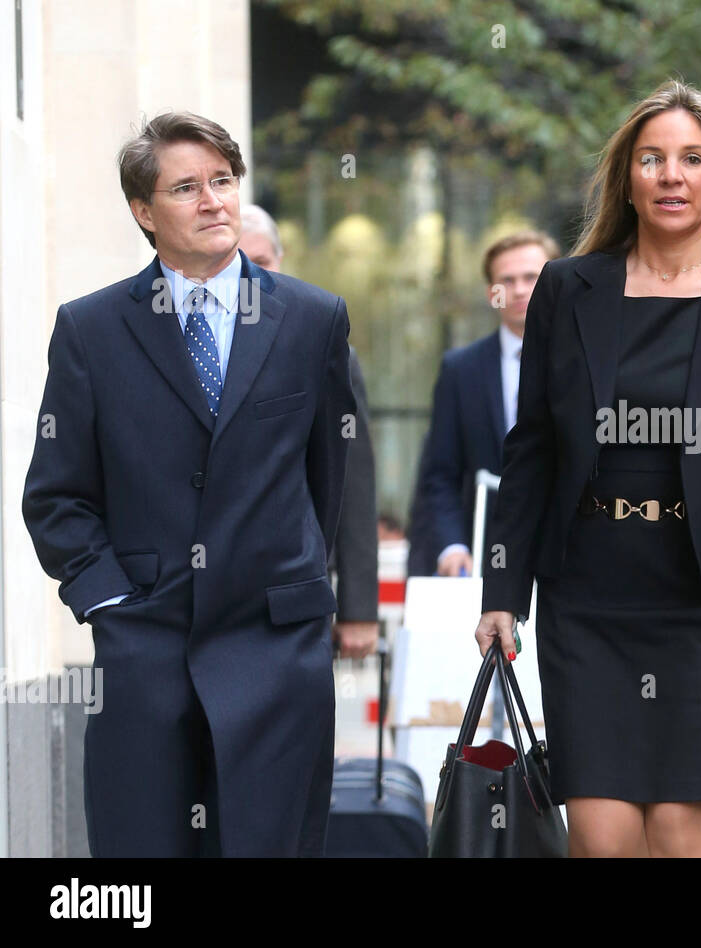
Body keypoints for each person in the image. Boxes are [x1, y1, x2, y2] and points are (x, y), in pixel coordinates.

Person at [472, 79, 701, 857]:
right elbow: (530, 451)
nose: (671, 175)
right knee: (602, 838)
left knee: (678, 835)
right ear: (626, 177)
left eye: (691, 159)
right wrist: (503, 591)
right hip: (588, 595)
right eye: (652, 159)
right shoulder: (566, 289)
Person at [22, 112, 356, 856]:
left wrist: (302, 585)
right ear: (144, 212)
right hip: (144, 652)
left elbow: (329, 476)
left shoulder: (311, 319)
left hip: (277, 653)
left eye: (223, 182)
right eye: (185, 188)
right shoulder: (91, 329)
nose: (213, 201)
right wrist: (111, 603)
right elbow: (56, 495)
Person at [240, 204, 378, 659]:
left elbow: (353, 484)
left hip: (297, 590)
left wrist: (359, 609)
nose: (250, 273)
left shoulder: (324, 347)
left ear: (281, 261)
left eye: (262, 261)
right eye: (240, 260)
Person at [406, 231, 561, 578]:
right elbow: (440, 473)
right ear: (492, 292)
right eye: (506, 280)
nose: (519, 289)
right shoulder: (460, 369)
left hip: (566, 555)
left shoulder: (584, 361)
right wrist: (452, 546)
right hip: (482, 559)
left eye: (531, 277)